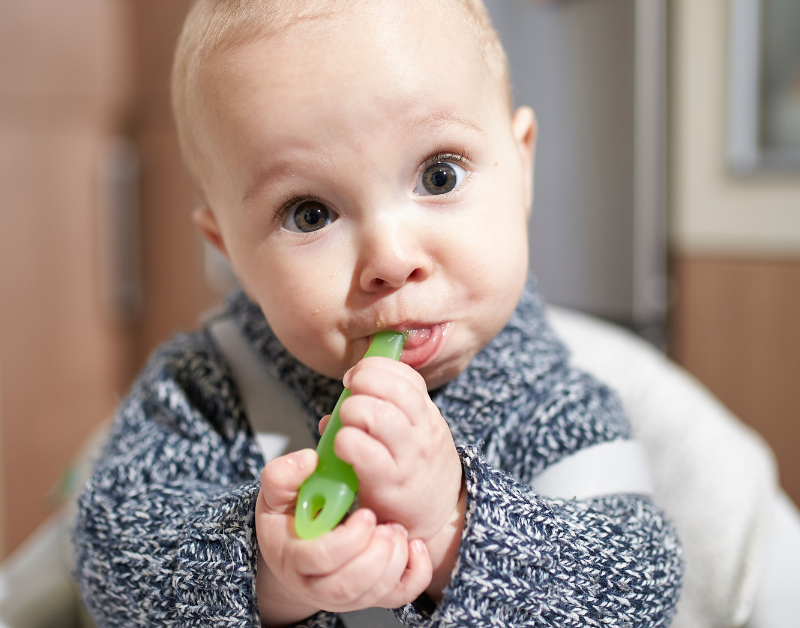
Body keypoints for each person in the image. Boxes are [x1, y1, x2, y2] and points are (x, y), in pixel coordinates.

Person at [73, 0, 683, 626]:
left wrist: (453, 527)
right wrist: (266, 572)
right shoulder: (204, 388)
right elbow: (109, 560)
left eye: (439, 176)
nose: (390, 259)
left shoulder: (560, 408)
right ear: (232, 254)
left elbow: (636, 593)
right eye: (309, 213)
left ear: (521, 166)